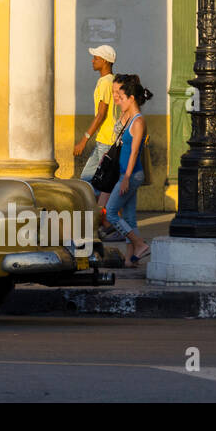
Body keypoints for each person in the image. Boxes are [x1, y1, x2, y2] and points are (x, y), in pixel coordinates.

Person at [105, 73, 152, 266]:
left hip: (131, 175)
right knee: (130, 218)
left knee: (110, 213)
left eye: (122, 98)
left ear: (131, 99)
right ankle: (130, 259)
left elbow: (134, 153)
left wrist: (125, 178)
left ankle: (139, 244)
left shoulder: (138, 121)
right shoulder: (131, 119)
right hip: (126, 173)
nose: (119, 101)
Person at [73, 45, 117, 186]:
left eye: (96, 58)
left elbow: (101, 114)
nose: (93, 61)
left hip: (107, 141)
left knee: (96, 183)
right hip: (105, 140)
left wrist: (84, 141)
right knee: (88, 181)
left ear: (104, 61)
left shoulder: (105, 83)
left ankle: (103, 208)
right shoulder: (113, 81)